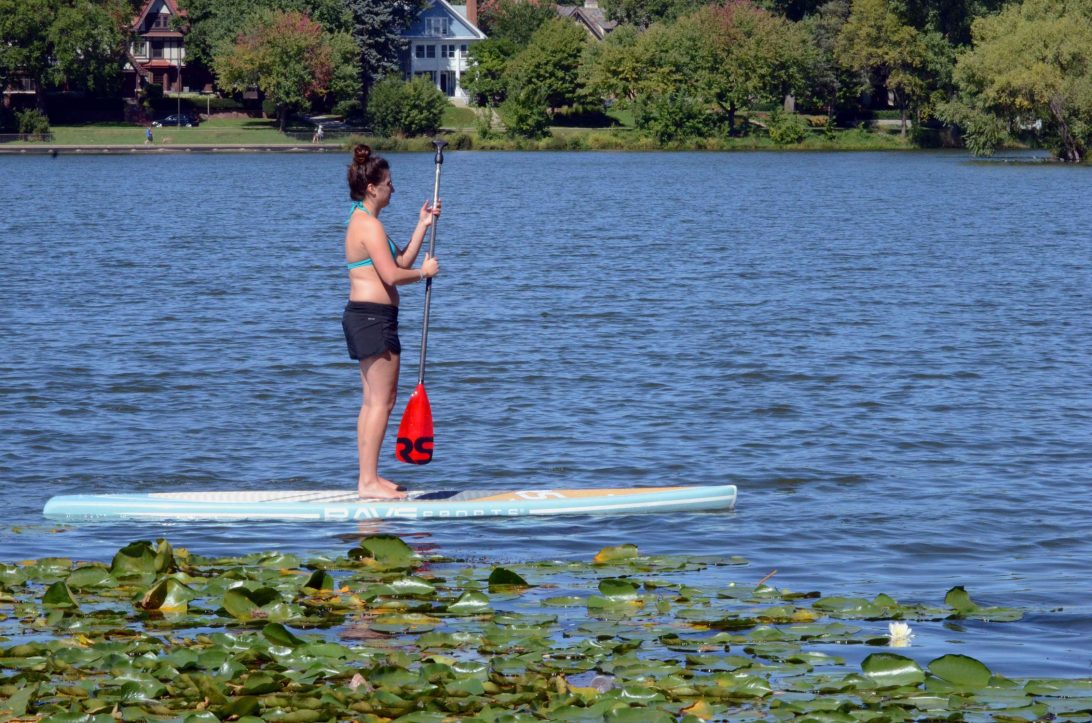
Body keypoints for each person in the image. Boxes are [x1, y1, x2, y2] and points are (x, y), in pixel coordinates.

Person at [342, 144, 440, 499]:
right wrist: (424, 273)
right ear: (372, 189)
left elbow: (399, 259)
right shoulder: (367, 226)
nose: (392, 189)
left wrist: (422, 224)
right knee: (380, 401)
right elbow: (393, 275)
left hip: (369, 317)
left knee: (374, 401)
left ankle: (369, 477)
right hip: (372, 318)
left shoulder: (366, 221)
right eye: (389, 184)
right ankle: (367, 482)